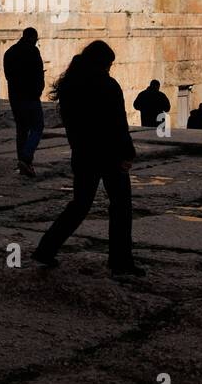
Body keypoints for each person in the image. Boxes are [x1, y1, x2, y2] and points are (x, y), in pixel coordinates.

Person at [33, 41, 143, 277]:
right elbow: (117, 124)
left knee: (80, 205)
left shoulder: (71, 85)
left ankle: (45, 249)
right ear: (104, 63)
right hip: (110, 155)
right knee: (121, 207)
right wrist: (127, 153)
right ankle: (120, 261)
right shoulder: (107, 85)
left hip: (83, 155)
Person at [3, 27, 45, 177]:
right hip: (30, 97)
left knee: (21, 130)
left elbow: (8, 75)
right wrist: (38, 91)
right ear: (33, 37)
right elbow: (39, 73)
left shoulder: (10, 52)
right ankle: (26, 158)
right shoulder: (33, 52)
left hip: (16, 97)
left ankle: (23, 164)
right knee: (37, 126)